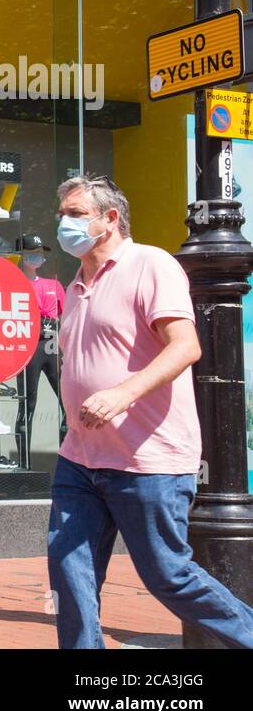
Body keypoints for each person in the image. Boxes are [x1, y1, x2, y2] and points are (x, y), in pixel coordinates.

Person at [48, 174, 253, 649]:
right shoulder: (75, 285)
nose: (65, 224)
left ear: (110, 219)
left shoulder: (150, 265)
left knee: (168, 576)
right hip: (80, 459)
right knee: (70, 577)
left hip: (147, 463)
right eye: (63, 215)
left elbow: (185, 347)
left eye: (76, 214)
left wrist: (121, 394)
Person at [14, 233, 66, 468]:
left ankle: (68, 459)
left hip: (52, 345)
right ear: (21, 255)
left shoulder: (53, 285)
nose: (37, 257)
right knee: (28, 403)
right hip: (27, 346)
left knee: (68, 401)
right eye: (32, 253)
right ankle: (25, 463)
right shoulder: (12, 285)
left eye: (40, 253)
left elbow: (66, 316)